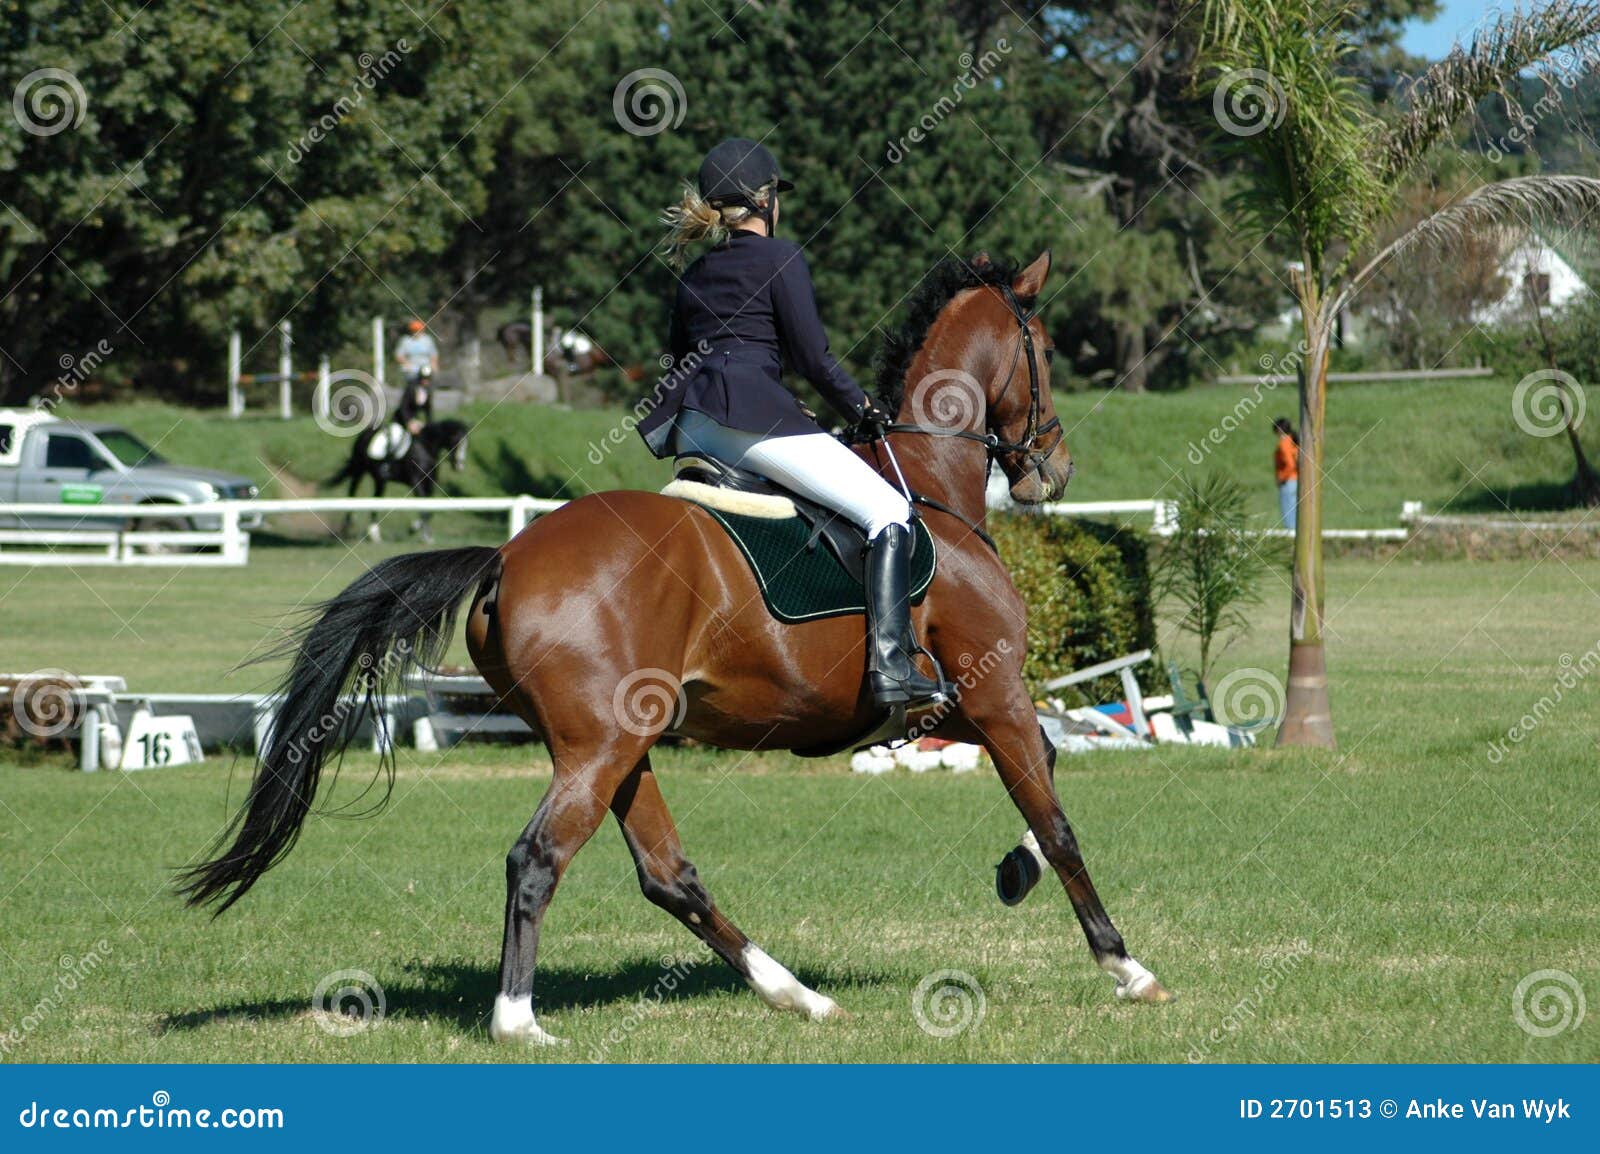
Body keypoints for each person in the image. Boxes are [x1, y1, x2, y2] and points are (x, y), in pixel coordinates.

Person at [635, 137, 952, 711]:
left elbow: (687, 354)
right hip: (748, 421)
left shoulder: (694, 273)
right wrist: (863, 410)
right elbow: (812, 357)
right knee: (888, 512)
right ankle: (891, 666)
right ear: (763, 201)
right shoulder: (782, 258)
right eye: (776, 196)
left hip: (695, 426)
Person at [1273, 416, 1299, 530]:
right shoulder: (1293, 441)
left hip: (1288, 481)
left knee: (1288, 511)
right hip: (1296, 479)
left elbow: (1290, 464)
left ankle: (1291, 535)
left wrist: (1281, 478)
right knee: (1294, 509)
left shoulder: (1284, 444)